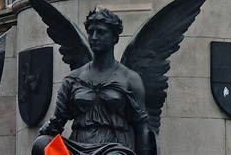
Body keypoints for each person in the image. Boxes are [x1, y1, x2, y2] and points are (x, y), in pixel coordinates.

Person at [32, 9, 151, 155]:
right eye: (91, 32)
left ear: (115, 38)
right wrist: (47, 131)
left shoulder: (130, 79)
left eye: (100, 32)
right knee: (42, 144)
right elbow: (58, 120)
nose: (94, 37)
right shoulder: (73, 79)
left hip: (115, 148)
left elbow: (141, 126)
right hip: (77, 147)